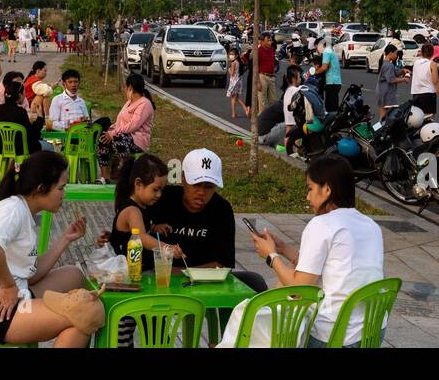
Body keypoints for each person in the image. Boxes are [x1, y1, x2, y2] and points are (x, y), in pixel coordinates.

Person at [0, 151, 91, 347]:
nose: (64, 194)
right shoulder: (13, 211)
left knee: (75, 275)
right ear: (41, 188)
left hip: (8, 299)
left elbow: (30, 274)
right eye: (61, 188)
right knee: (87, 314)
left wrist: (64, 240)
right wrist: (8, 287)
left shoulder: (21, 208)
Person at [246, 156, 386, 347]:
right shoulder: (371, 225)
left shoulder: (322, 224)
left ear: (327, 189)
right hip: (372, 330)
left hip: (335, 334)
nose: (308, 197)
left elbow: (299, 290)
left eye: (310, 188)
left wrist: (271, 256)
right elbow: (330, 266)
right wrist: (283, 249)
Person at [150, 150, 269, 296]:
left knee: (255, 283)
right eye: (196, 184)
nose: (201, 192)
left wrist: (183, 272)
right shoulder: (162, 198)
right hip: (160, 281)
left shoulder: (222, 209)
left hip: (206, 285)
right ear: (183, 178)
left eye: (209, 187)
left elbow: (223, 264)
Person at [98, 71, 154, 164]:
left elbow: (133, 125)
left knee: (118, 138)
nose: (125, 89)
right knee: (103, 139)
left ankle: (125, 170)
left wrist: (114, 133)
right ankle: (105, 177)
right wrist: (111, 130)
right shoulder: (129, 102)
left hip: (137, 141)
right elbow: (120, 122)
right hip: (124, 136)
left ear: (130, 88)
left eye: (126, 87)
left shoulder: (144, 104)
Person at [0, 79, 50, 152]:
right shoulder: (20, 112)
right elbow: (31, 135)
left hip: (1, 148)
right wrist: (40, 118)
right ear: (19, 95)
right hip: (20, 150)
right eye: (24, 93)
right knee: (49, 146)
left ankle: (11, 161)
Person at [409, 40, 439, 118]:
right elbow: (435, 81)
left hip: (416, 94)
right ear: (432, 53)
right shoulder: (432, 64)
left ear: (422, 52)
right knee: (429, 119)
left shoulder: (416, 63)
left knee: (417, 120)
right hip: (428, 95)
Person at [376, 43, 410, 119]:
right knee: (387, 116)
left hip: (381, 92)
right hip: (386, 93)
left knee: (382, 115)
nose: (396, 55)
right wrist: (404, 79)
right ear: (391, 53)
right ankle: (381, 129)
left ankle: (377, 129)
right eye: (395, 53)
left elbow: (394, 73)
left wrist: (402, 71)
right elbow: (391, 80)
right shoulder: (389, 65)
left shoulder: (385, 63)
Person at [317, 38, 343, 112]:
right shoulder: (331, 51)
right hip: (335, 82)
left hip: (332, 82)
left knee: (331, 107)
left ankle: (334, 122)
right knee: (332, 105)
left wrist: (313, 73)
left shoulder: (326, 52)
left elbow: (324, 67)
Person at [256, 34, 277, 111]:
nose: (269, 42)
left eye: (270, 40)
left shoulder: (271, 50)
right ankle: (262, 118)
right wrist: (258, 81)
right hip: (262, 76)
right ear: (261, 42)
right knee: (262, 100)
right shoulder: (258, 51)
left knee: (273, 100)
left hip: (271, 76)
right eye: (267, 40)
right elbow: (256, 67)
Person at [226, 50, 248, 121]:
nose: (231, 55)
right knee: (237, 97)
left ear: (236, 56)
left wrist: (229, 70)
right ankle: (244, 109)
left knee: (233, 98)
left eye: (232, 54)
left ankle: (234, 113)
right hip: (239, 81)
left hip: (234, 82)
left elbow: (232, 73)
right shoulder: (240, 62)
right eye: (230, 54)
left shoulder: (233, 63)